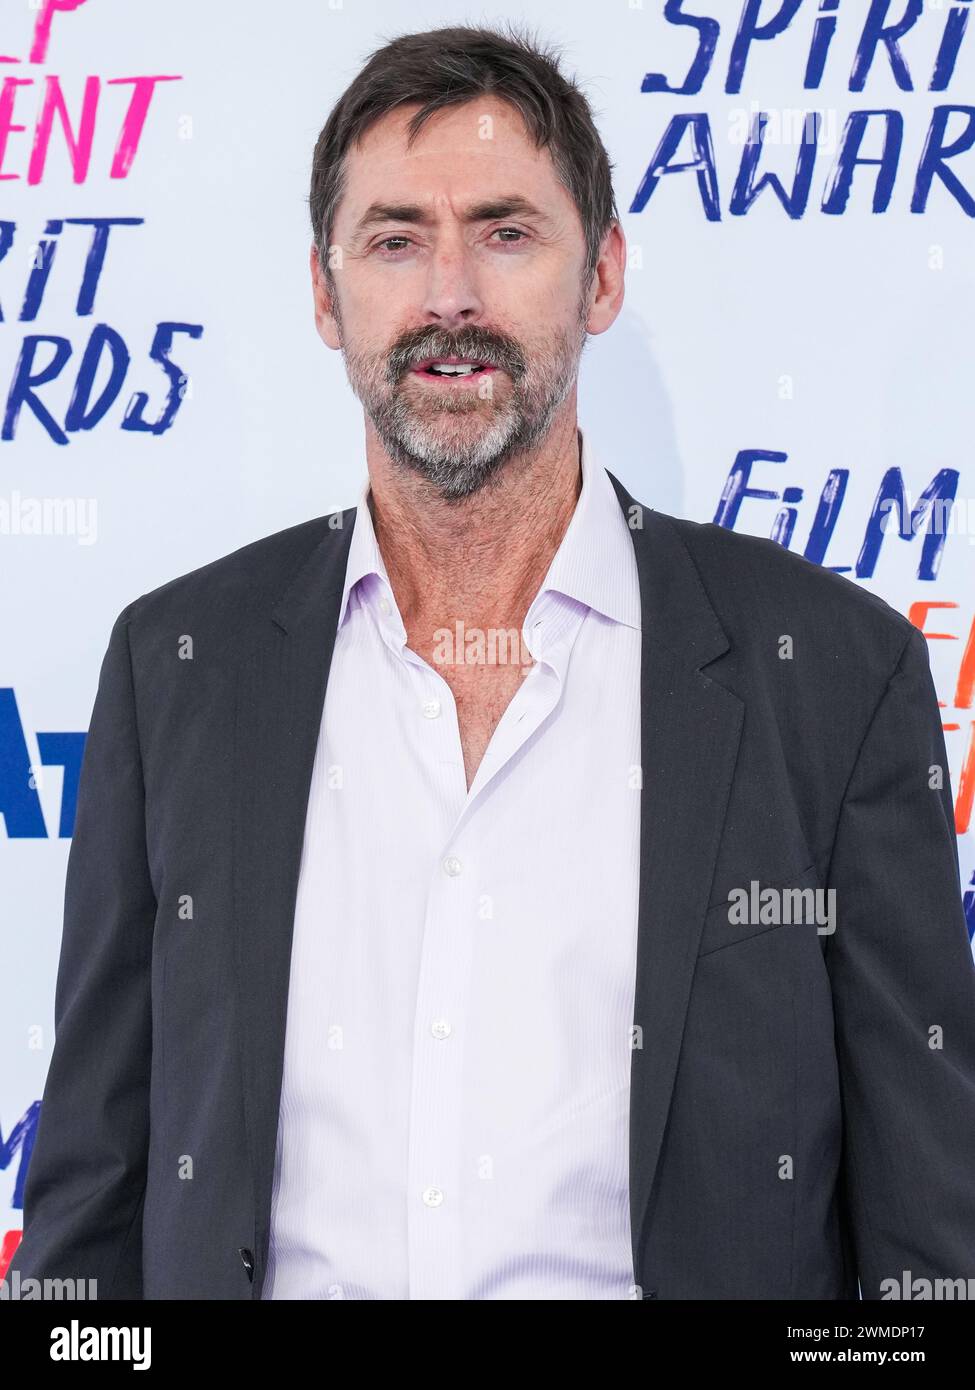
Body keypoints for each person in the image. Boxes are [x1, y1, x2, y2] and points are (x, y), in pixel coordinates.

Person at [10, 23, 975, 1301]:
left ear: (604, 278)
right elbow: (91, 1196)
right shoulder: (177, 667)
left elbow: (928, 1242)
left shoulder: (832, 675)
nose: (449, 296)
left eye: (508, 233)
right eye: (396, 239)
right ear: (324, 291)